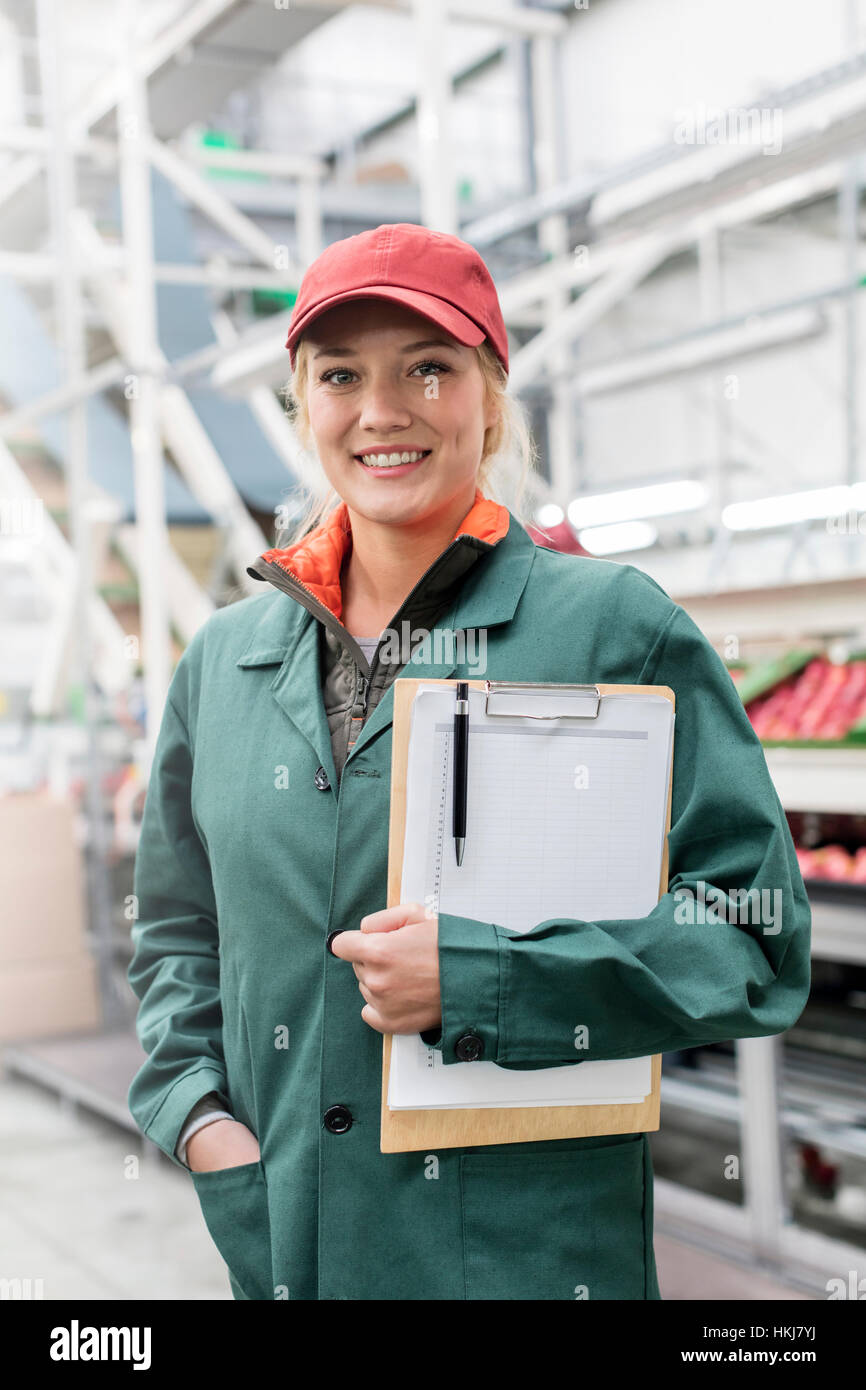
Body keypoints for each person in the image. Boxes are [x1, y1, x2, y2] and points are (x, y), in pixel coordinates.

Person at [127, 222, 811, 1301]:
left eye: (428, 369)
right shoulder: (223, 661)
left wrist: (486, 978)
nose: (381, 410)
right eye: (340, 374)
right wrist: (203, 1122)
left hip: (523, 1259)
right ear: (303, 405)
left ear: (489, 399)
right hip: (287, 1240)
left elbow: (748, 934)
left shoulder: (609, 630)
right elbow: (175, 931)